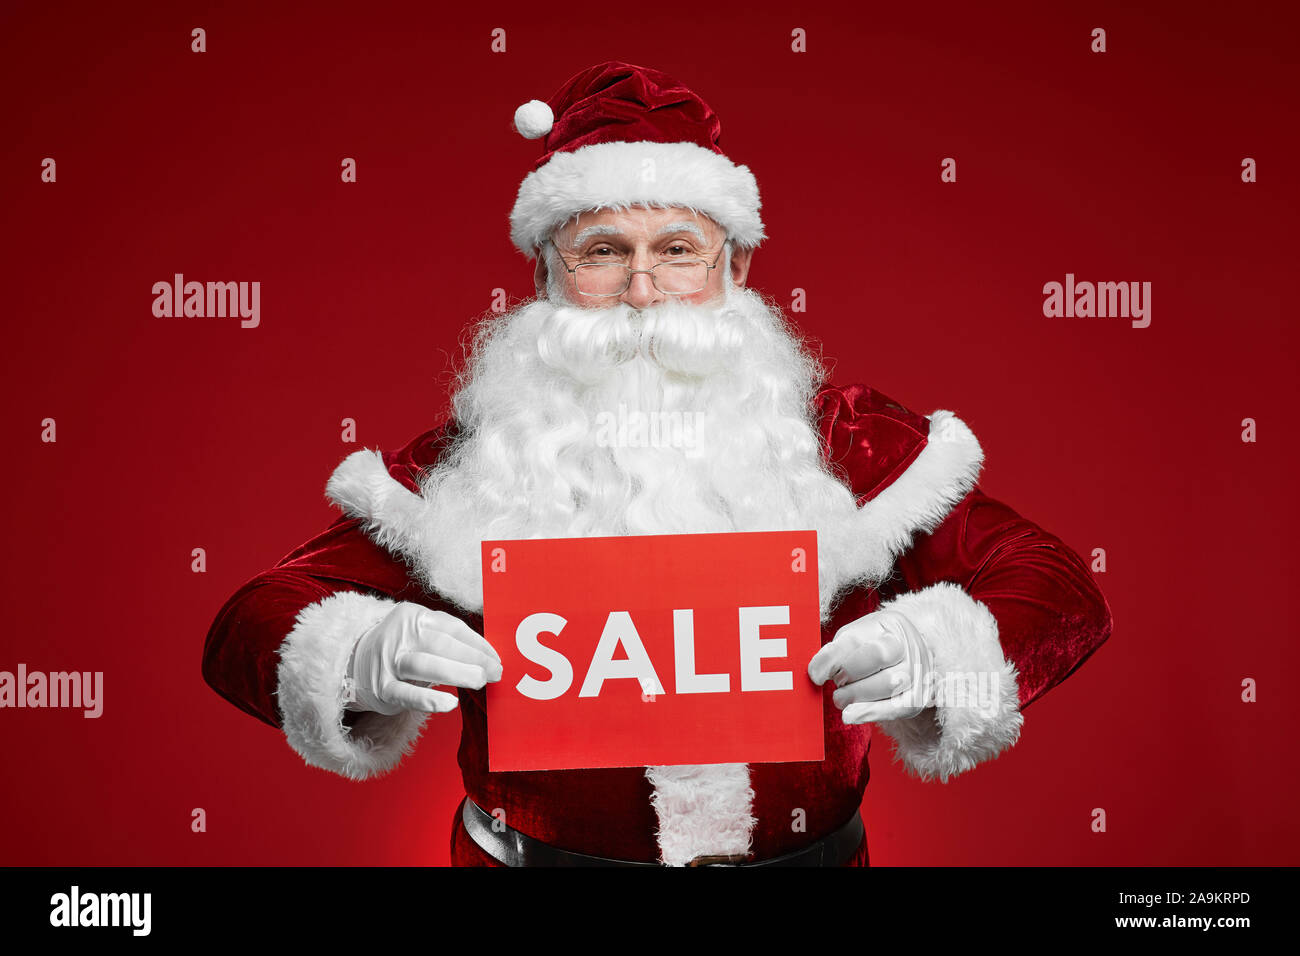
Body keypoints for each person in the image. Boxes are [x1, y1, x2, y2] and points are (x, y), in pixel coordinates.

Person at [202, 61, 1112, 867]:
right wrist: (356, 652)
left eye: (678, 251)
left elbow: (1056, 584)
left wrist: (941, 651)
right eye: (603, 252)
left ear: (738, 268)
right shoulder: (474, 464)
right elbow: (251, 619)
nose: (642, 292)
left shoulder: (849, 443)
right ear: (545, 277)